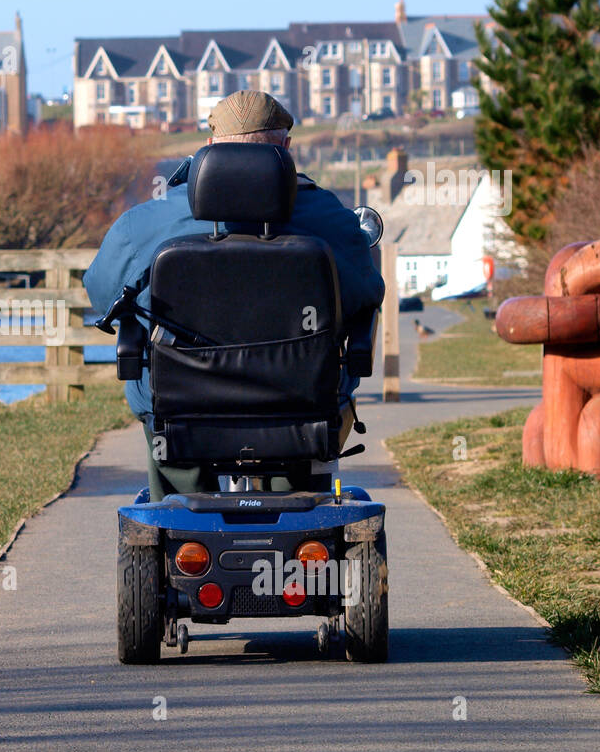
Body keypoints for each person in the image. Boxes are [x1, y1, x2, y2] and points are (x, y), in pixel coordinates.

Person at [83, 90, 385, 498]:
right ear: (286, 148)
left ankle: (179, 500)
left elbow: (102, 296)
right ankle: (295, 494)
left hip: (184, 409)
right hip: (299, 404)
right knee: (329, 376)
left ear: (210, 148)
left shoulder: (144, 225)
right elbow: (365, 297)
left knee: (154, 383)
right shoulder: (331, 221)